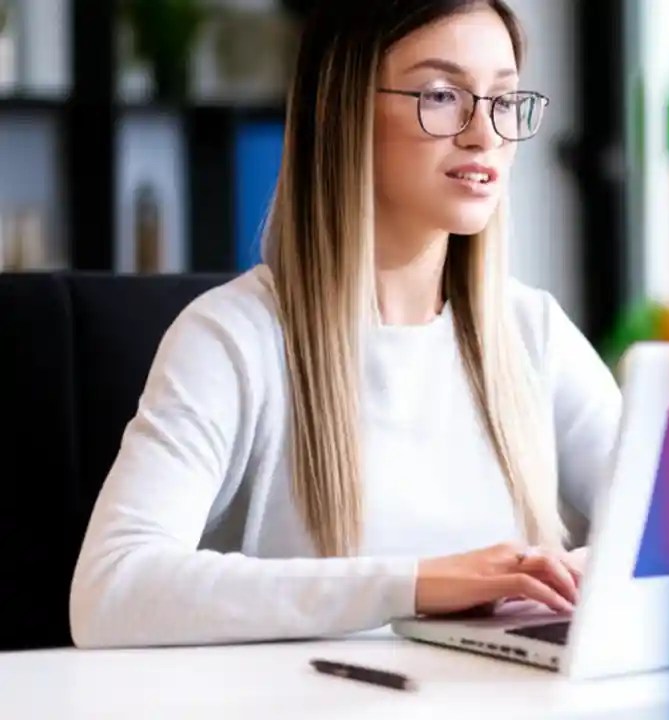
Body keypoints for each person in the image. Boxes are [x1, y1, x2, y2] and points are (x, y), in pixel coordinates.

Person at [69, 0, 621, 648]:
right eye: (442, 95)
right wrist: (414, 584)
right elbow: (111, 591)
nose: (485, 133)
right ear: (343, 110)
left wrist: (579, 575)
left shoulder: (533, 332)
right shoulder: (233, 340)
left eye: (502, 98)